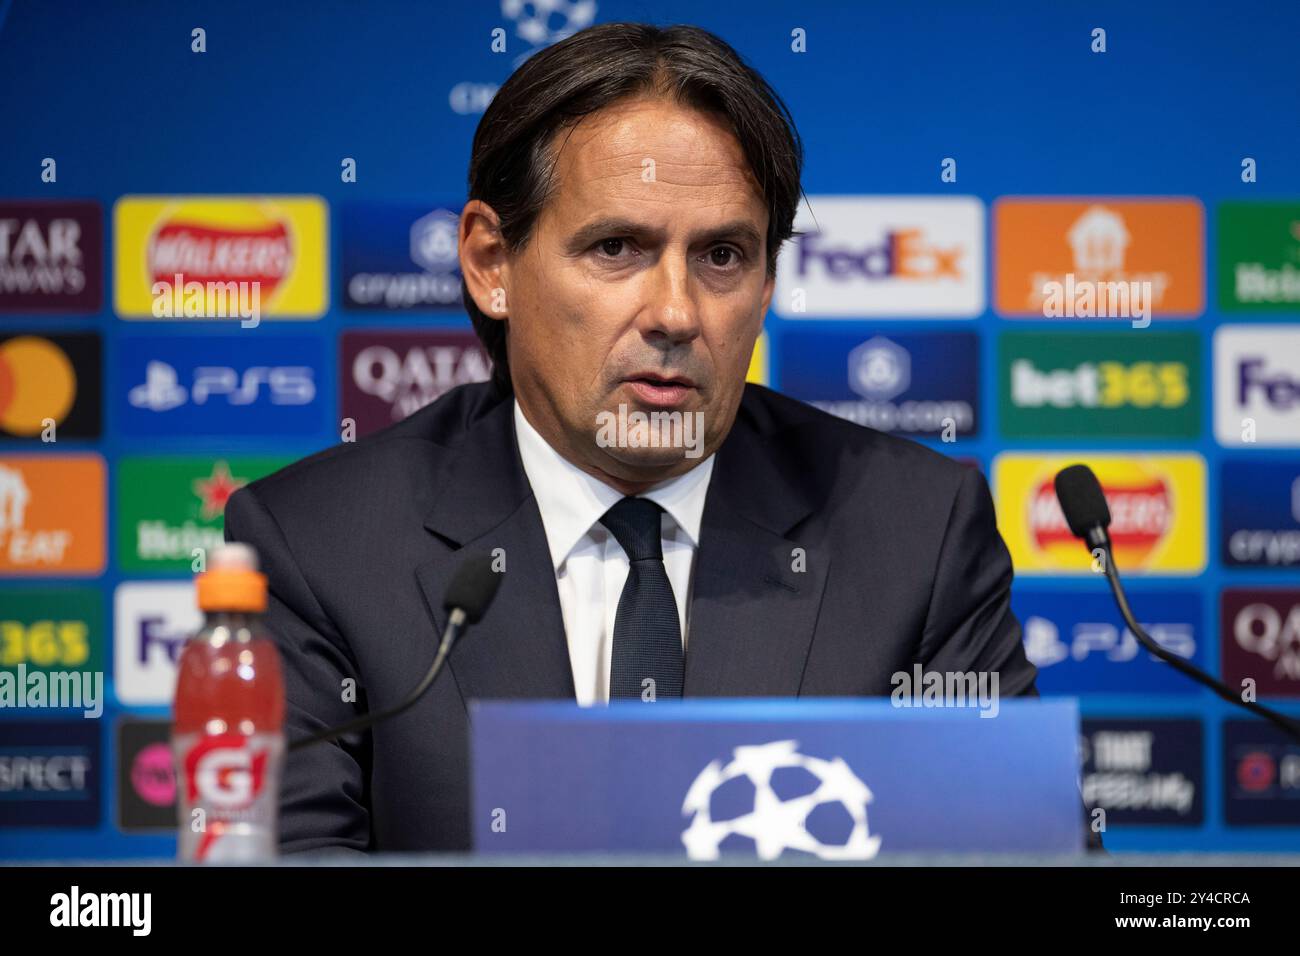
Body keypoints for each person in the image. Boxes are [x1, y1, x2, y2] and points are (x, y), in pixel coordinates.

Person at [225, 21, 1088, 854]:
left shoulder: (913, 531)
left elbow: (1025, 859)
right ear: (492, 262)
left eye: (721, 257)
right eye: (617, 248)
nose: (676, 313)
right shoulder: (319, 547)